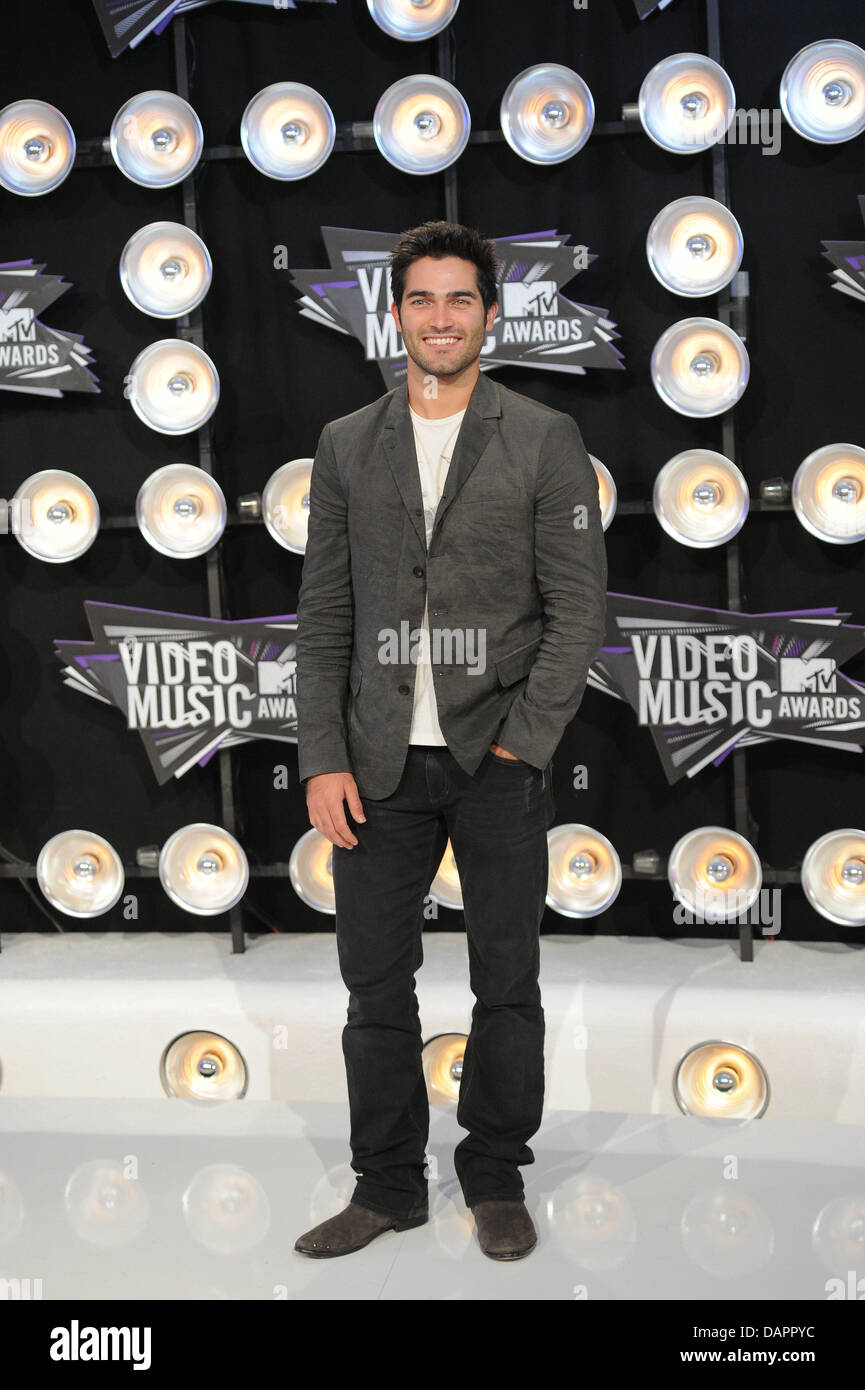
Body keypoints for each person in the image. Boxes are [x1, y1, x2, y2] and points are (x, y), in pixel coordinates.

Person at [293, 220, 607, 1260]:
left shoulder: (543, 435)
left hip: (495, 760)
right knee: (372, 984)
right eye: (421, 300)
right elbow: (326, 616)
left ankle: (494, 1172)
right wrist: (322, 755)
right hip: (375, 762)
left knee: (503, 980)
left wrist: (523, 742)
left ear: (487, 312)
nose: (439, 318)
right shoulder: (345, 444)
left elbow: (577, 613)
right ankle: (387, 1184)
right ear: (396, 315)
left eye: (458, 300)